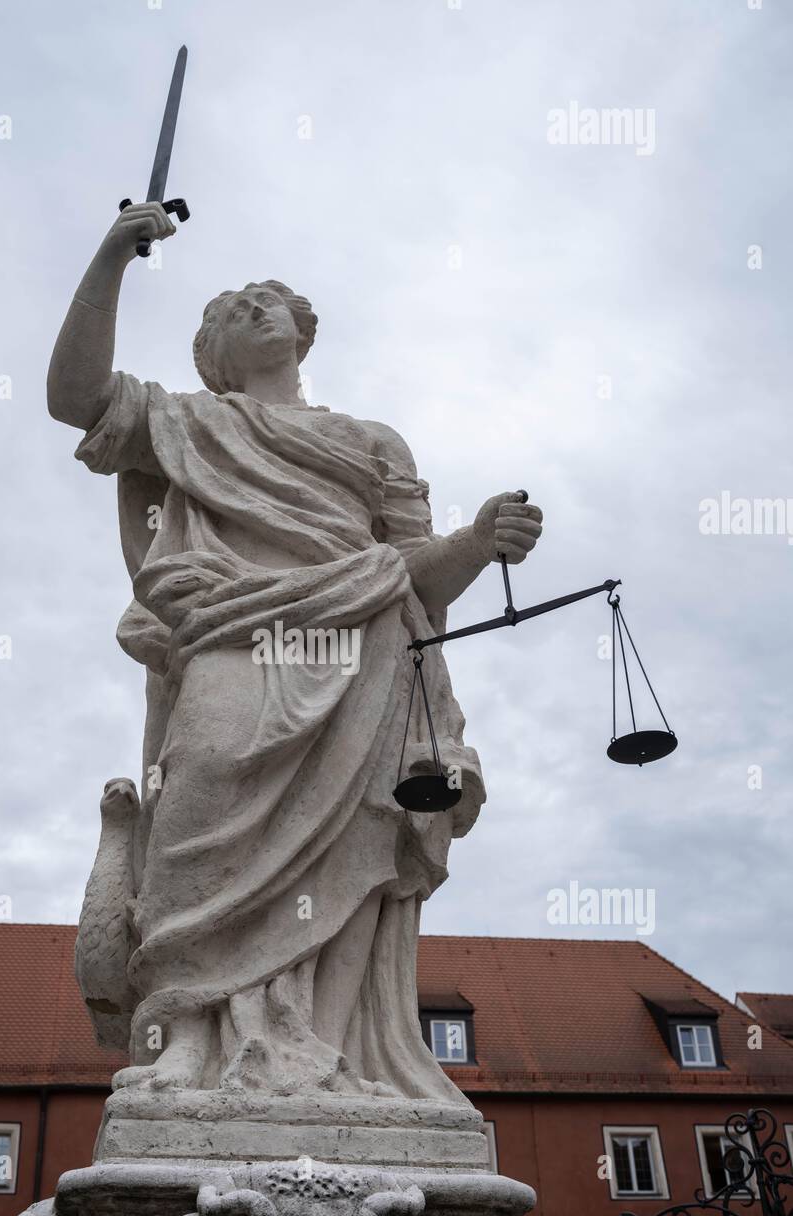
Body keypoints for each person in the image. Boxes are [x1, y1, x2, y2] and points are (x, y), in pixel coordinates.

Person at [48, 202, 543, 1101]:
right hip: (233, 634)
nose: (264, 309)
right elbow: (74, 397)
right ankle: (188, 1038)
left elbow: (416, 575)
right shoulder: (185, 421)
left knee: (357, 836)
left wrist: (476, 541)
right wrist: (115, 252)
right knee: (195, 797)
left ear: (304, 331)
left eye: (275, 301)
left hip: (367, 649)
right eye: (242, 307)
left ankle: (329, 1054)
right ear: (216, 350)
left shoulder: (370, 440)